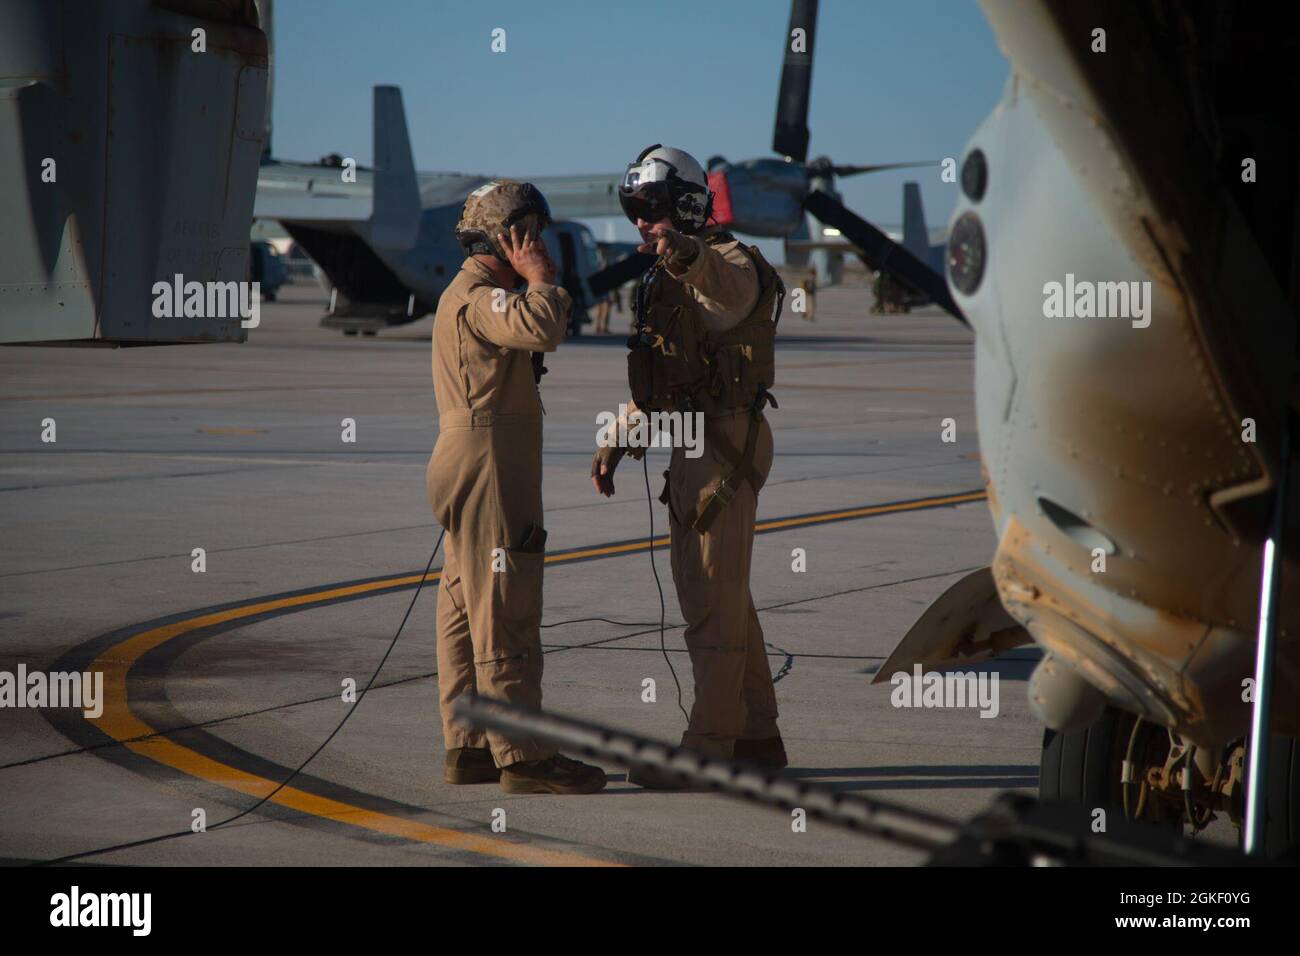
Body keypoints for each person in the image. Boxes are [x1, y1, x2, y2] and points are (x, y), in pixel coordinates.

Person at [589, 146, 787, 787]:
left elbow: (728, 296)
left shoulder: (728, 263)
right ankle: (755, 736)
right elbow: (666, 369)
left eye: (651, 211)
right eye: (635, 213)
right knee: (724, 598)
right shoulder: (679, 270)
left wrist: (687, 253)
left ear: (685, 208)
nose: (642, 225)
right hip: (694, 440)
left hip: (723, 446)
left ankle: (708, 747)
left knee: (710, 600)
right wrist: (618, 437)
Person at [428, 179, 606, 795]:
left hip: (469, 460)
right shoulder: (481, 297)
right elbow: (544, 325)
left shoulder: (467, 293)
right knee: (505, 606)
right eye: (533, 235)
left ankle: (470, 746)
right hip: (489, 467)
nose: (542, 246)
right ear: (514, 236)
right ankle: (523, 757)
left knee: (461, 605)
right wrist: (539, 280)